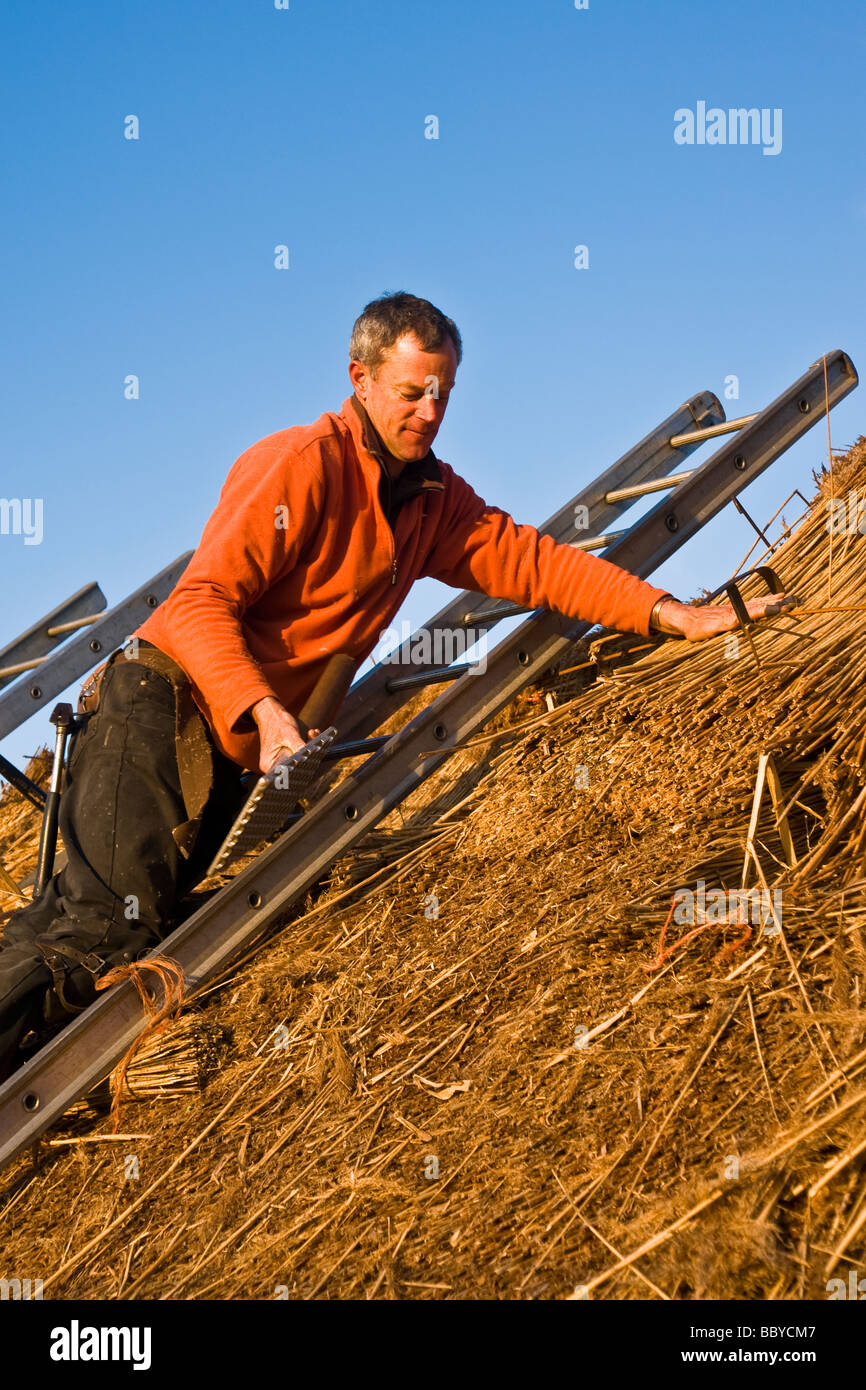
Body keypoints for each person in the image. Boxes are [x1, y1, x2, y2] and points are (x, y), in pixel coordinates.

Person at [0, 292, 793, 1080]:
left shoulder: (432, 503)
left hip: (231, 751)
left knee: (107, 926)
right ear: (362, 378)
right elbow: (203, 602)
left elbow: (537, 563)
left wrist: (669, 614)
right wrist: (269, 711)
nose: (430, 410)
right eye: (413, 391)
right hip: (160, 709)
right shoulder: (298, 465)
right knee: (100, 937)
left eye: (443, 392)